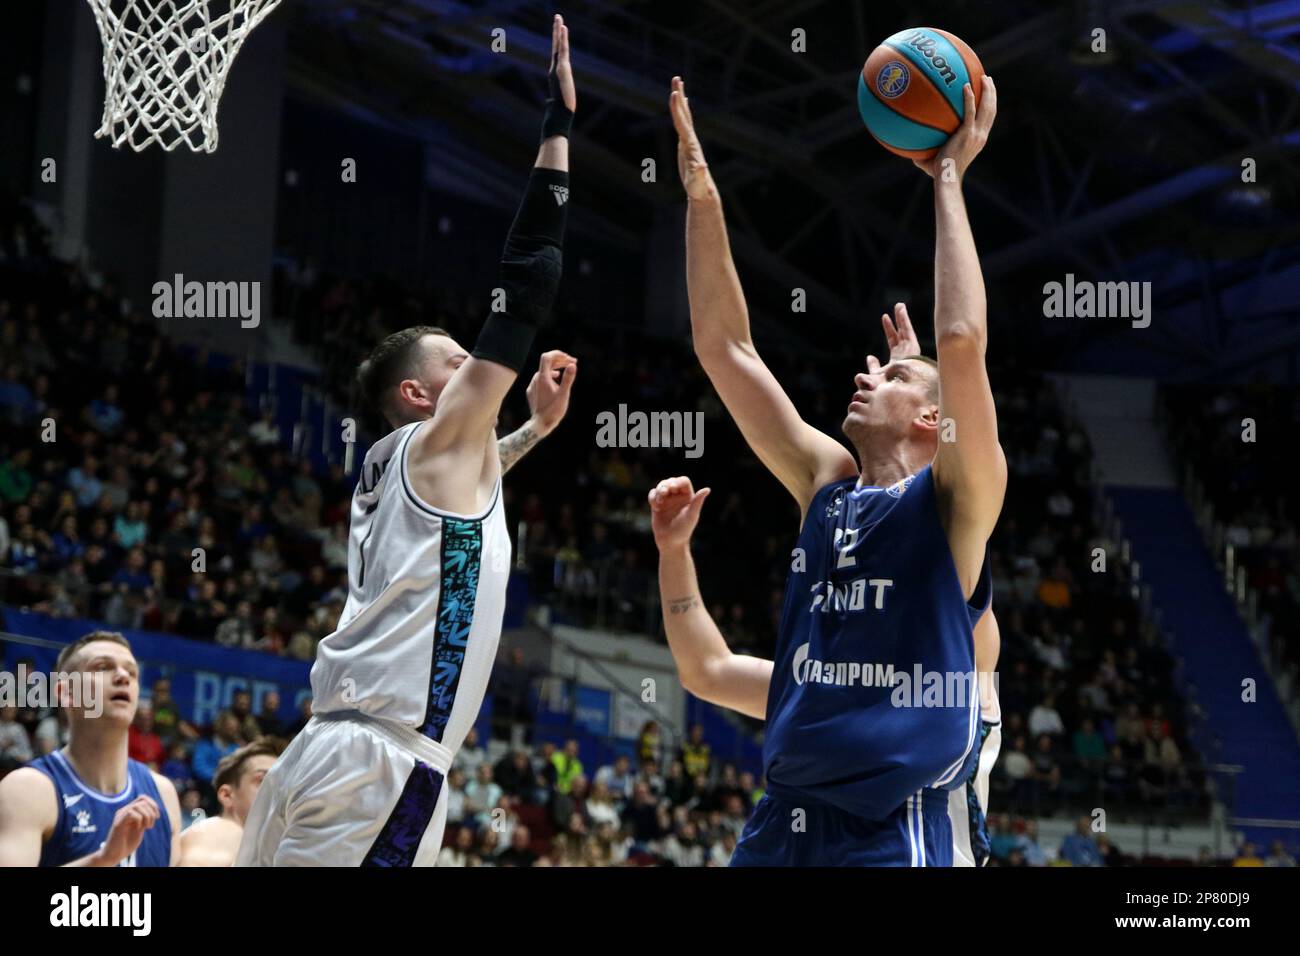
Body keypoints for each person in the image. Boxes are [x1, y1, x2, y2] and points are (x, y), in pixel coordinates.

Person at [236, 15, 578, 868]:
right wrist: (559, 130)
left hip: (322, 753)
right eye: (460, 367)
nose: (478, 375)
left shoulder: (395, 468)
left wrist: (536, 428)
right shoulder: (433, 443)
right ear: (421, 395)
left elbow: (473, 488)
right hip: (384, 764)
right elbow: (528, 279)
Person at [651, 73, 1003, 867]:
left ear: (929, 420)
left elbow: (962, 343)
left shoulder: (955, 503)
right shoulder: (827, 485)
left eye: (891, 377)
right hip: (784, 820)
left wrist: (947, 175)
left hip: (893, 827)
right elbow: (725, 349)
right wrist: (703, 198)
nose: (865, 374)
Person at [0, 631, 181, 866]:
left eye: (132, 672)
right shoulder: (28, 790)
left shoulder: (163, 793)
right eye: (103, 667)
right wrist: (104, 859)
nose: (123, 676)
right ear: (66, 692)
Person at [178, 741, 280, 866]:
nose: (277, 791)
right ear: (227, 795)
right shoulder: (223, 828)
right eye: (262, 781)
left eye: (281, 784)